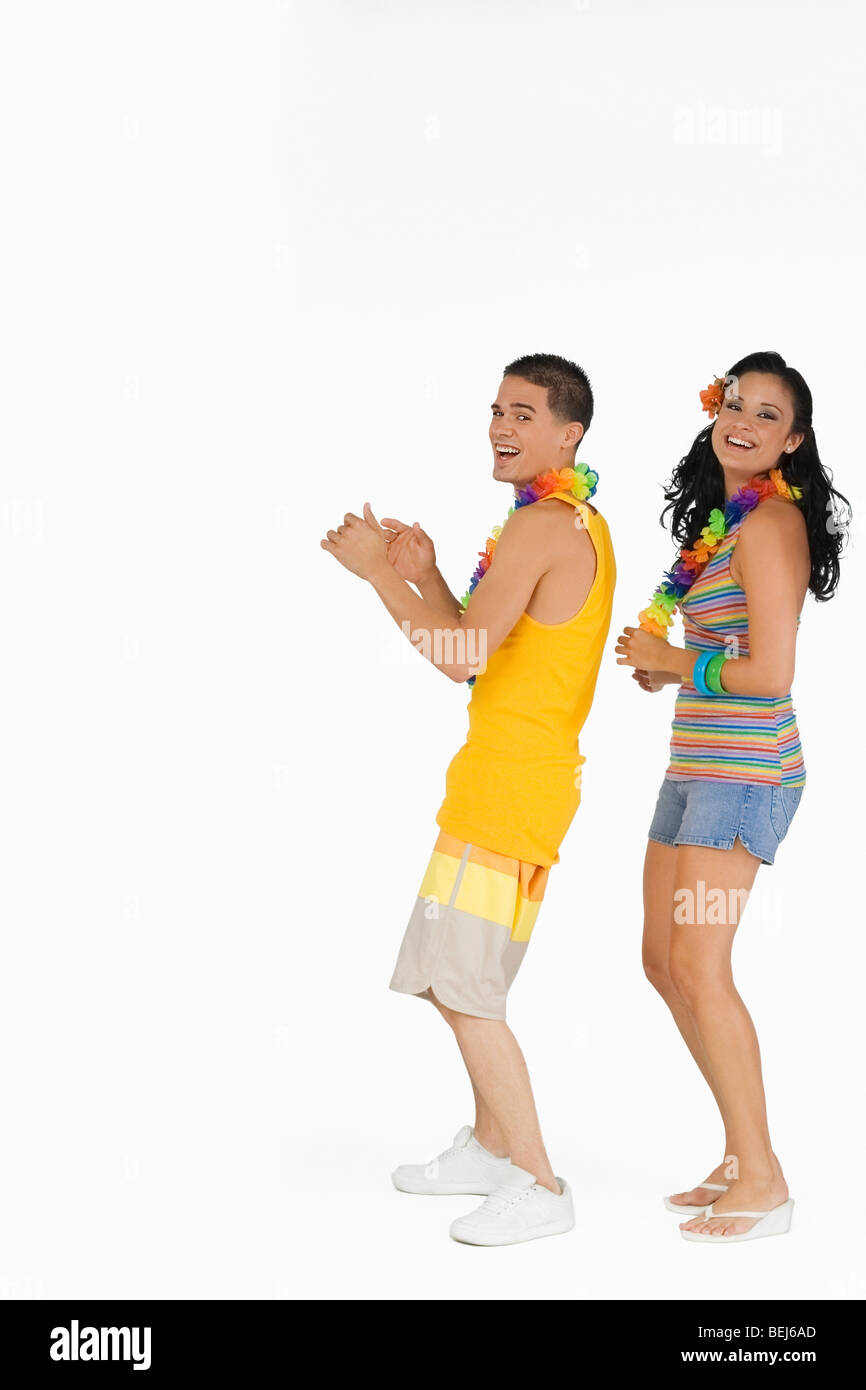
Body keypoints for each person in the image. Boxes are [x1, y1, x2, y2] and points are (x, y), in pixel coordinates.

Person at [321, 353, 615, 1245]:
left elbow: (458, 659)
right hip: (513, 782)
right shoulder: (565, 521)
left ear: (569, 435)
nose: (502, 427)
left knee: (465, 989)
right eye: (497, 410)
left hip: (509, 789)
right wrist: (427, 575)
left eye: (525, 414)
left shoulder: (542, 526)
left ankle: (540, 1183)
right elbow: (486, 648)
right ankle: (491, 1149)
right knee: (460, 981)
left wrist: (376, 575)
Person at [615, 351, 850, 1244]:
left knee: (701, 966)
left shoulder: (771, 524)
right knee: (663, 960)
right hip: (693, 767)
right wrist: (667, 669)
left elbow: (772, 674)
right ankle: (738, 1151)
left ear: (793, 441)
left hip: (745, 773)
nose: (743, 422)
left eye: (767, 414)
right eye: (735, 404)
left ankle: (764, 1177)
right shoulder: (725, 523)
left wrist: (677, 661)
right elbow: (725, 657)